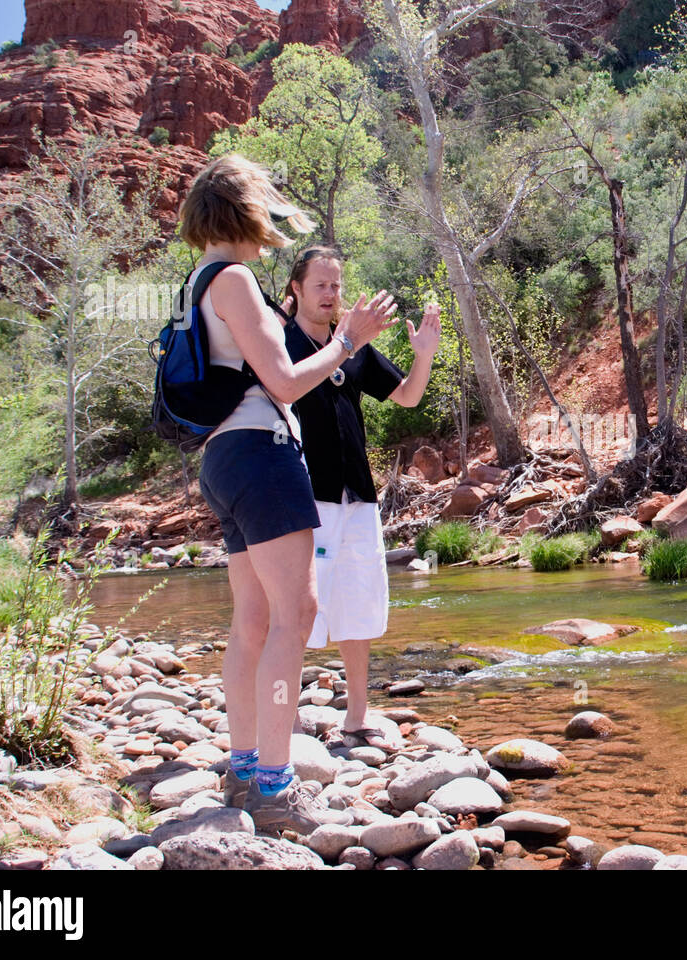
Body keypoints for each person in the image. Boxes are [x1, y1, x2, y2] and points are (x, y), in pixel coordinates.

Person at [178, 155, 397, 834]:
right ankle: (275, 784)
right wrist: (349, 341)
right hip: (262, 457)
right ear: (245, 210)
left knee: (252, 618)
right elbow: (283, 382)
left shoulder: (198, 280)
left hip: (224, 460)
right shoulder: (235, 279)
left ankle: (245, 768)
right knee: (294, 615)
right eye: (265, 206)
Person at [280, 245, 439, 740]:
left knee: (359, 604)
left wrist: (424, 355)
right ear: (296, 288)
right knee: (295, 611)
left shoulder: (353, 342)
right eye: (320, 284)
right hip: (303, 495)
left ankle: (357, 715)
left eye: (336, 284)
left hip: (357, 496)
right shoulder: (280, 342)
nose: (331, 293)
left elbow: (407, 396)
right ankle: (282, 719)